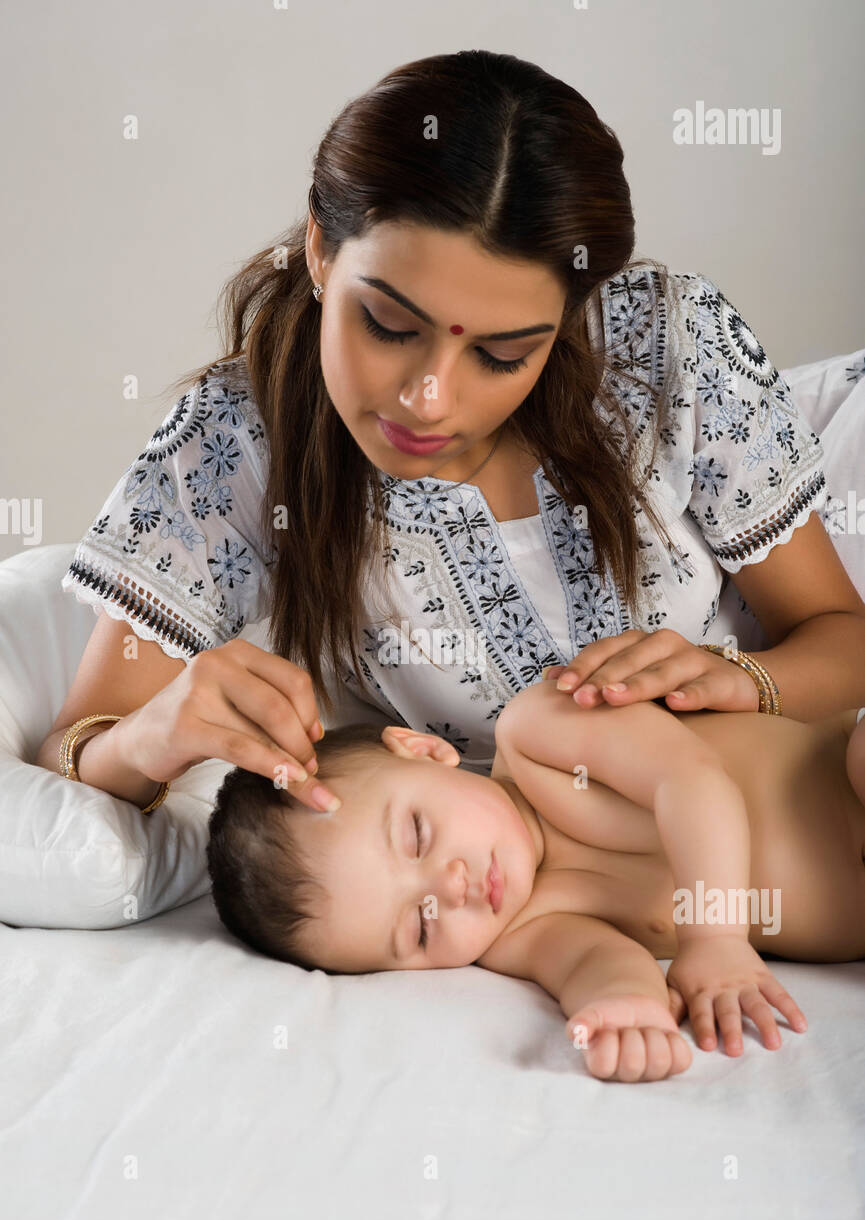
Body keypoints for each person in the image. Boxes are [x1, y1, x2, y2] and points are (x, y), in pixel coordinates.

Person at [36, 51, 865, 861]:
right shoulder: (239, 442)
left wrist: (742, 681)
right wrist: (150, 737)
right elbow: (72, 752)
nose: (429, 400)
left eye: (502, 355)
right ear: (322, 251)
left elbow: (839, 635)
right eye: (390, 327)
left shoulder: (667, 352)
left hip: (794, 816)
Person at [204, 677, 865, 1084]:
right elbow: (594, 960)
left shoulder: (540, 736)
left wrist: (714, 937)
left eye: (417, 836)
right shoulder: (516, 931)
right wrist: (627, 1011)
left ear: (423, 750)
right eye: (421, 925)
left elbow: (692, 783)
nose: (453, 887)